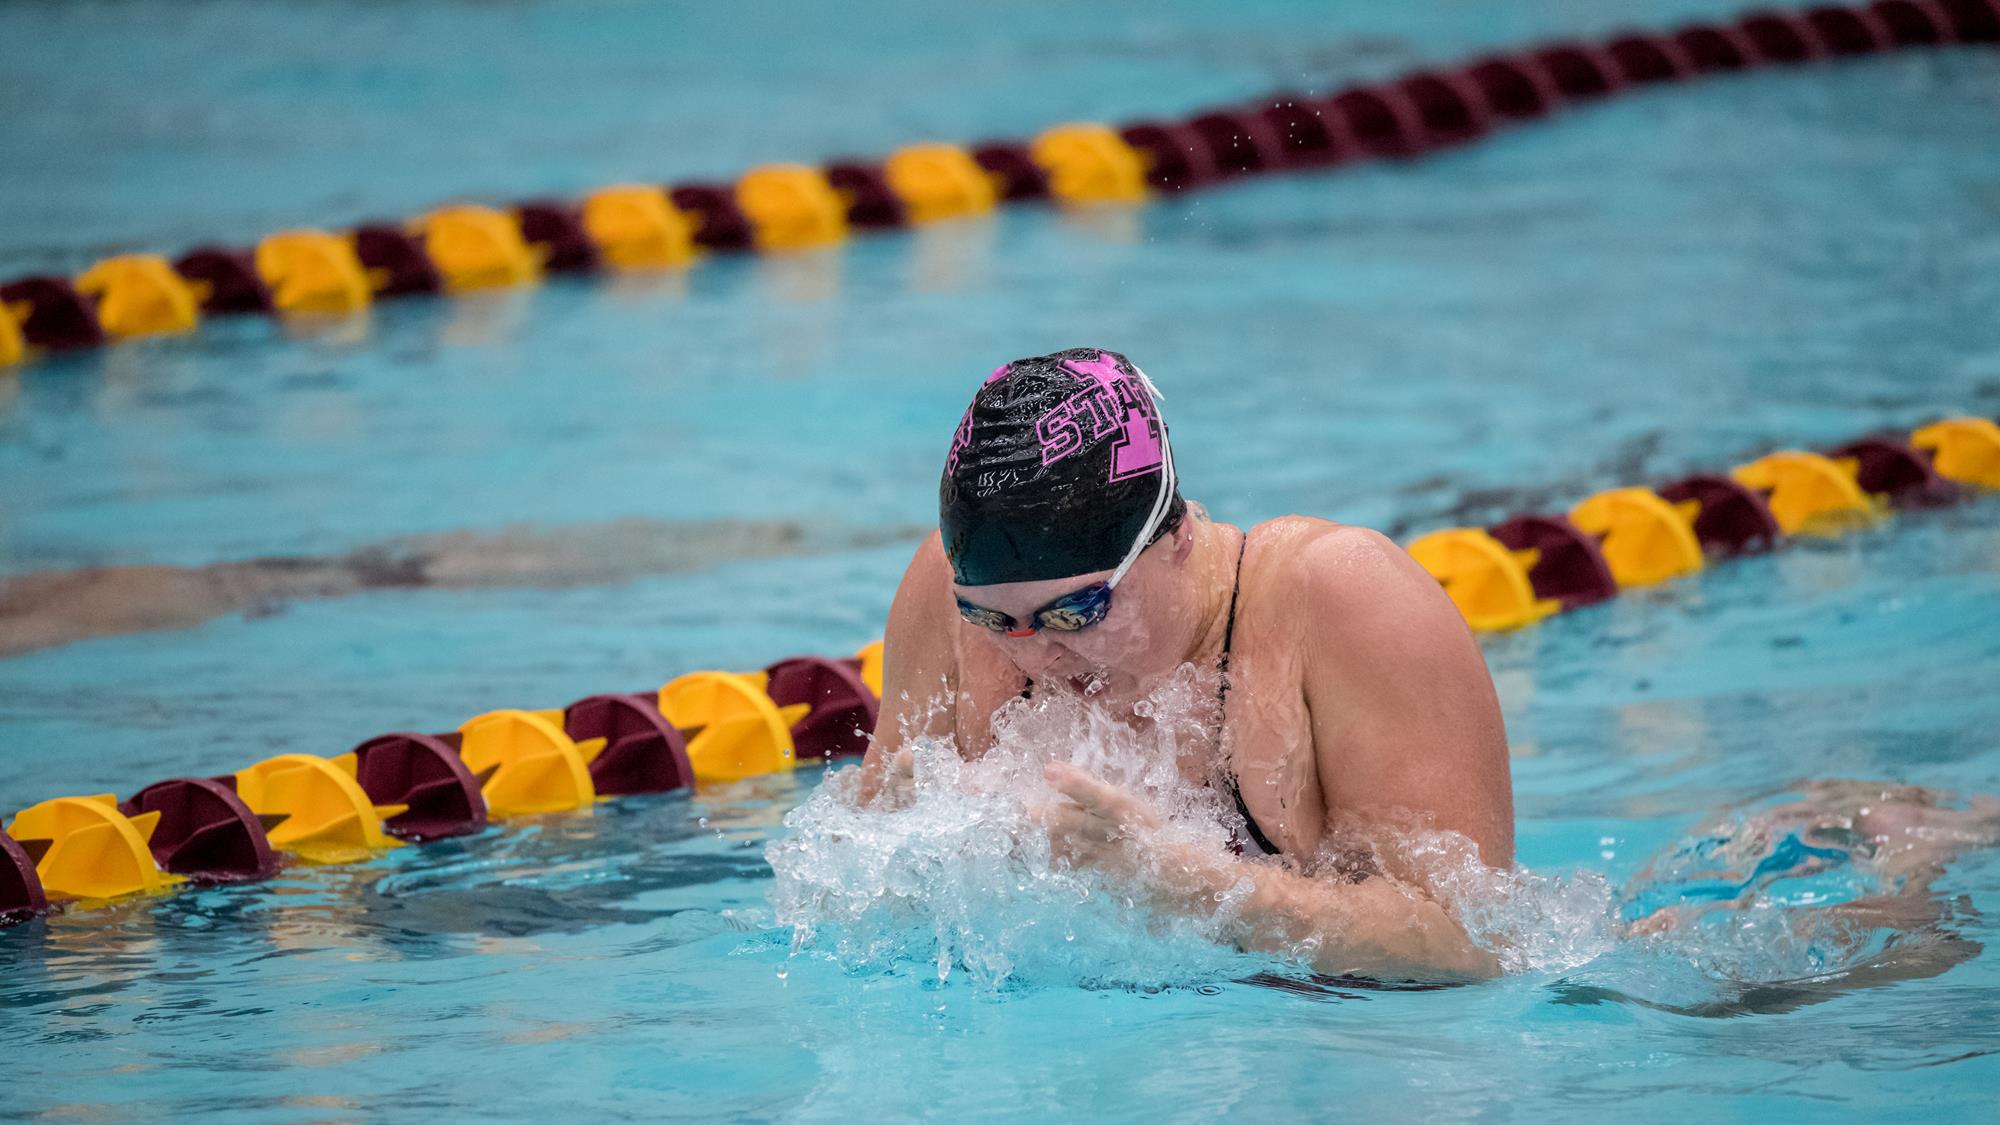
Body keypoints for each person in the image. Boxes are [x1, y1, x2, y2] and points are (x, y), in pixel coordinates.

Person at [858, 347, 1514, 981]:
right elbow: (853, 901)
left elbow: (1473, 942)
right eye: (994, 620)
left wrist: (1194, 886)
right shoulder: (940, 593)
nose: (1037, 655)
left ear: (1176, 540)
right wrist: (900, 860)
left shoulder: (1343, 600)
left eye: (1074, 612)